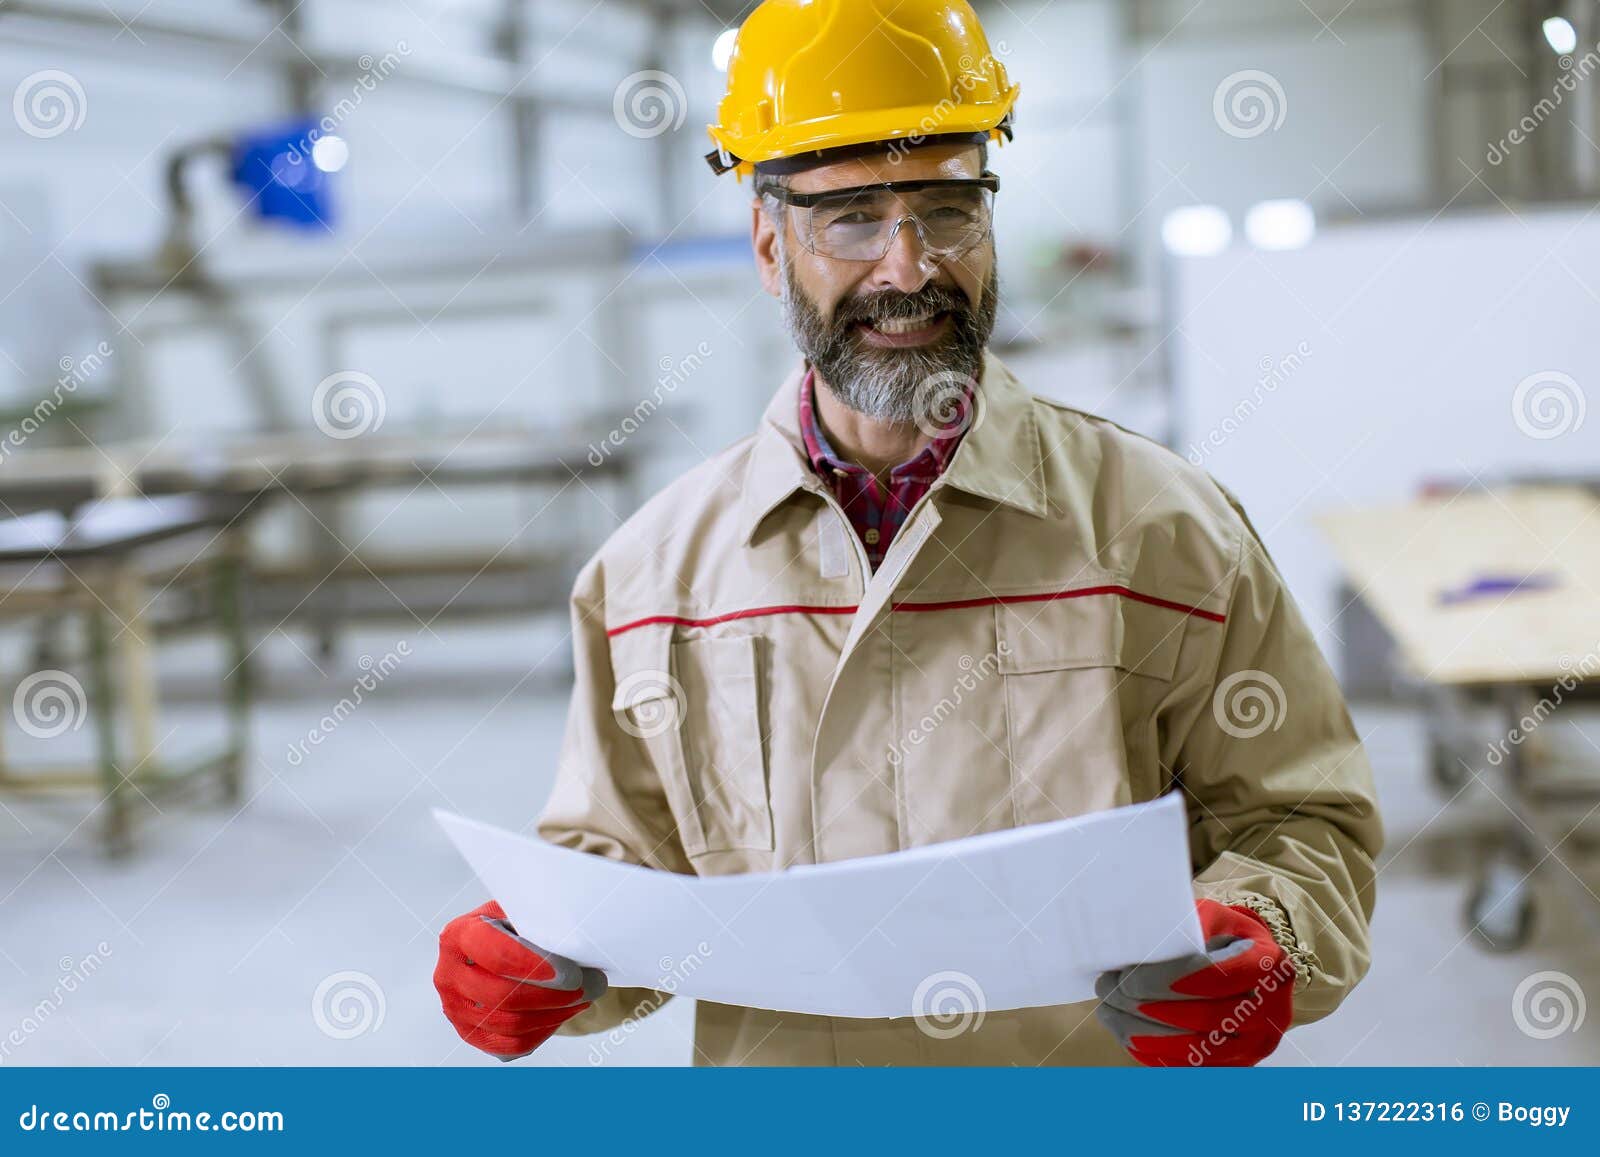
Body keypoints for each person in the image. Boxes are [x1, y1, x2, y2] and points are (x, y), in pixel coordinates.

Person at [434, 0, 1382, 1066]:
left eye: (946, 209)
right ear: (766, 243)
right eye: (849, 218)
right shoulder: (652, 575)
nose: (906, 267)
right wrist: (531, 955)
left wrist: (1270, 932)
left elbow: (1302, 820)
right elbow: (617, 865)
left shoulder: (1165, 528)